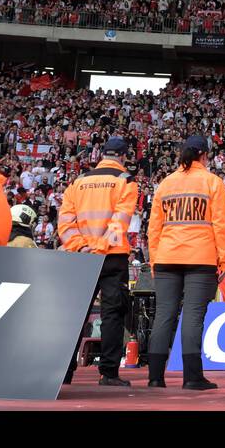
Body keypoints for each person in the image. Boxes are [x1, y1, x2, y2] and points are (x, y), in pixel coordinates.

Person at [145, 135, 225, 390]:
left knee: (163, 315)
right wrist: (224, 260)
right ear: (205, 155)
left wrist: (154, 260)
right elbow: (221, 225)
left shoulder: (165, 184)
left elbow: (154, 229)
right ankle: (192, 377)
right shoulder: (212, 182)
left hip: (166, 257)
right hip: (201, 259)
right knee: (193, 316)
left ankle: (155, 377)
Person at [59, 136, 140, 387]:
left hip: (81, 256)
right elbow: (120, 221)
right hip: (112, 256)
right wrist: (100, 247)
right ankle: (108, 373)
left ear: (101, 155)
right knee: (112, 314)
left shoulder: (78, 182)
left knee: (75, 315)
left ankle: (64, 372)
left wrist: (83, 246)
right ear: (125, 156)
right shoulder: (125, 181)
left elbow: (65, 222)